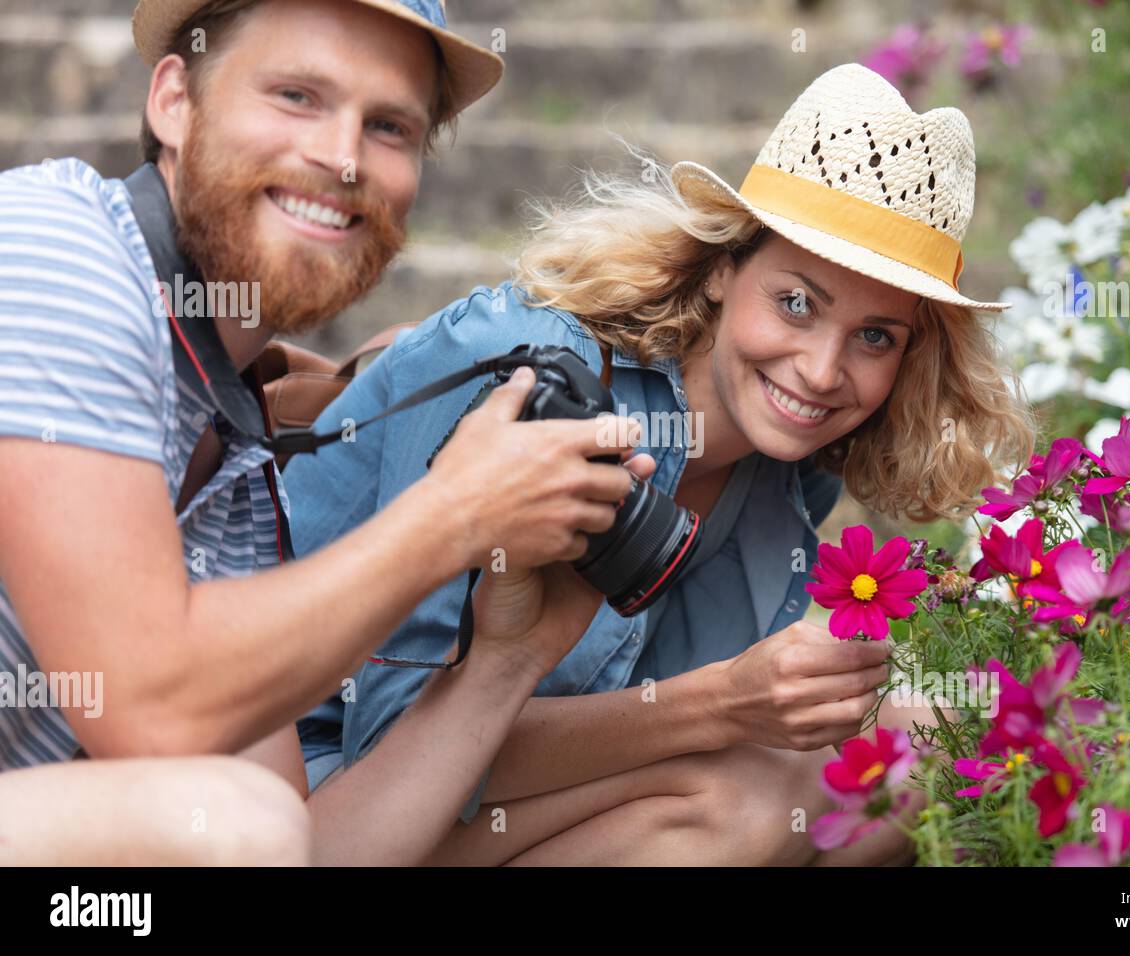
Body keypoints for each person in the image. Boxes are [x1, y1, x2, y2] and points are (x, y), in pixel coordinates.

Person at [278, 63, 1036, 865]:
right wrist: (720, 706)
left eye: (874, 337)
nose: (820, 371)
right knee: (737, 808)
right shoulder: (526, 375)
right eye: (797, 303)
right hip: (326, 796)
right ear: (722, 270)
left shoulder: (794, 463)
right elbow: (403, 743)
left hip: (502, 795)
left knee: (923, 750)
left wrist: (748, 712)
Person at [0, 0, 652, 865]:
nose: (342, 159)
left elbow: (311, 848)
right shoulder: (54, 249)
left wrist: (507, 657)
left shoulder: (234, 449)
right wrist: (456, 510)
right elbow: (147, 701)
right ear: (173, 102)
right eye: (296, 95)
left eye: (388, 127)